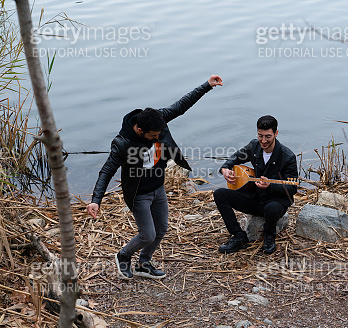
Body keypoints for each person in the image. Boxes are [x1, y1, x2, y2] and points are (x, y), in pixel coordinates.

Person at [87, 75, 223, 279]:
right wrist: (96, 200)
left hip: (158, 187)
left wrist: (207, 86)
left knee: (161, 229)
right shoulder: (122, 143)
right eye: (153, 136)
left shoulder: (156, 118)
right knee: (147, 234)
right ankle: (123, 255)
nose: (157, 138)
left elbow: (180, 106)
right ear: (140, 130)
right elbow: (107, 170)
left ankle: (144, 263)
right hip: (139, 193)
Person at [214, 115, 298, 254]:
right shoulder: (254, 146)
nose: (263, 141)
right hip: (255, 198)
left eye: (268, 136)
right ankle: (239, 237)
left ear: (276, 133)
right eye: (260, 135)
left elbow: (292, 187)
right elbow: (236, 156)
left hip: (275, 202)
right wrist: (225, 168)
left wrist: (270, 186)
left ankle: (269, 235)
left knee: (272, 208)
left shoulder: (287, 156)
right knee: (220, 194)